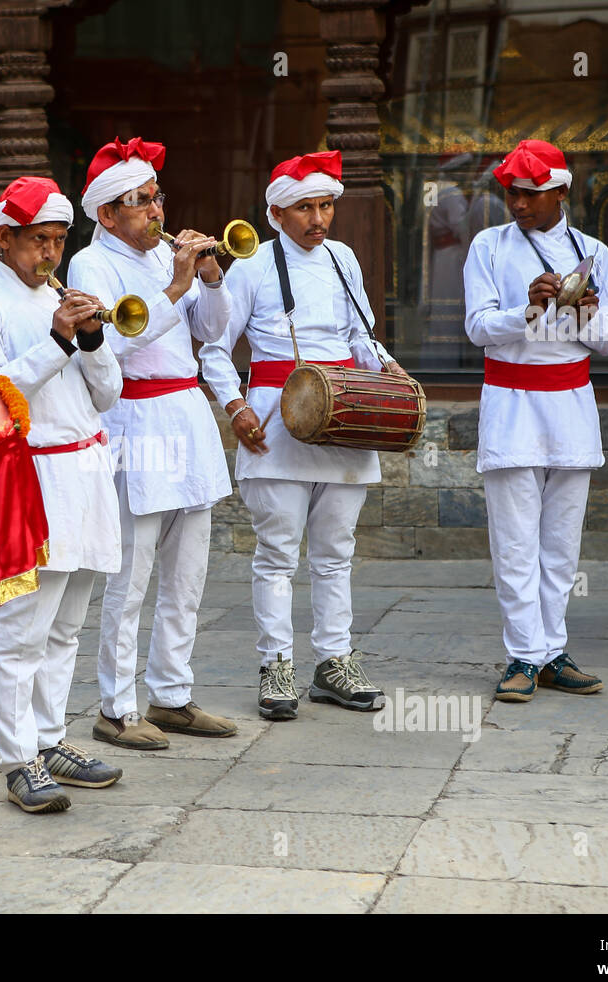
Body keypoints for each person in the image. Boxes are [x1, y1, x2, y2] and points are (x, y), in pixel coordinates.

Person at [200, 150, 411, 722]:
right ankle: (276, 667)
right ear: (275, 212)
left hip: (344, 412)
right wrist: (236, 407)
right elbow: (217, 350)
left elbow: (361, 334)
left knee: (336, 553)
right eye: (304, 208)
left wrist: (386, 367)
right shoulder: (250, 265)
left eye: (325, 206)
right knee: (275, 554)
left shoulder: (342, 257)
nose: (318, 218)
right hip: (277, 418)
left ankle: (334, 662)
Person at [0, 176, 125, 813]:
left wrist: (95, 341)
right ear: (4, 239)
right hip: (31, 476)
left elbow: (106, 396)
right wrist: (54, 339)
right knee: (22, 629)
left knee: (67, 626)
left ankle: (52, 741)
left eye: (58, 240)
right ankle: (17, 758)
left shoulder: (63, 298)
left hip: (86, 471)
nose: (50, 254)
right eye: (38, 242)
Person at [66, 137, 238, 751]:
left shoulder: (170, 257)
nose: (156, 212)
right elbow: (113, 347)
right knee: (131, 575)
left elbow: (213, 333)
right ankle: (115, 707)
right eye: (141, 202)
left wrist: (211, 284)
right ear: (107, 213)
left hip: (186, 412)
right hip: (135, 420)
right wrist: (177, 285)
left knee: (188, 574)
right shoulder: (92, 264)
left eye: (157, 198)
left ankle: (172, 695)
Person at [462, 139, 608, 702]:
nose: (518, 203)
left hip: (572, 405)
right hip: (511, 404)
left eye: (531, 194)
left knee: (561, 544)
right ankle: (522, 655)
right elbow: (479, 327)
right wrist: (529, 309)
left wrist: (583, 309)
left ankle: (552, 651)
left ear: (560, 192)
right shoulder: (488, 246)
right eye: (511, 192)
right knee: (514, 541)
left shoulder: (593, 251)